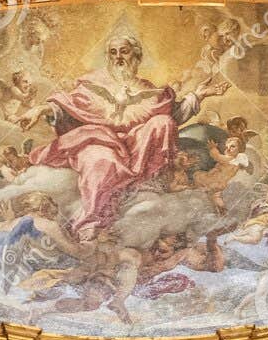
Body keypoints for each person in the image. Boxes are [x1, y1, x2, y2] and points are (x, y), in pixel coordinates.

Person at [20, 33, 228, 236]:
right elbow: (66, 105)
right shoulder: (93, 84)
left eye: (124, 52)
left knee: (162, 122)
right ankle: (92, 220)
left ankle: (144, 185)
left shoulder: (148, 89)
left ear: (136, 57)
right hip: (97, 139)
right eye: (113, 53)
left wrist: (198, 95)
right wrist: (39, 110)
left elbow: (172, 114)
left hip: (135, 145)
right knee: (101, 160)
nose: (118, 57)